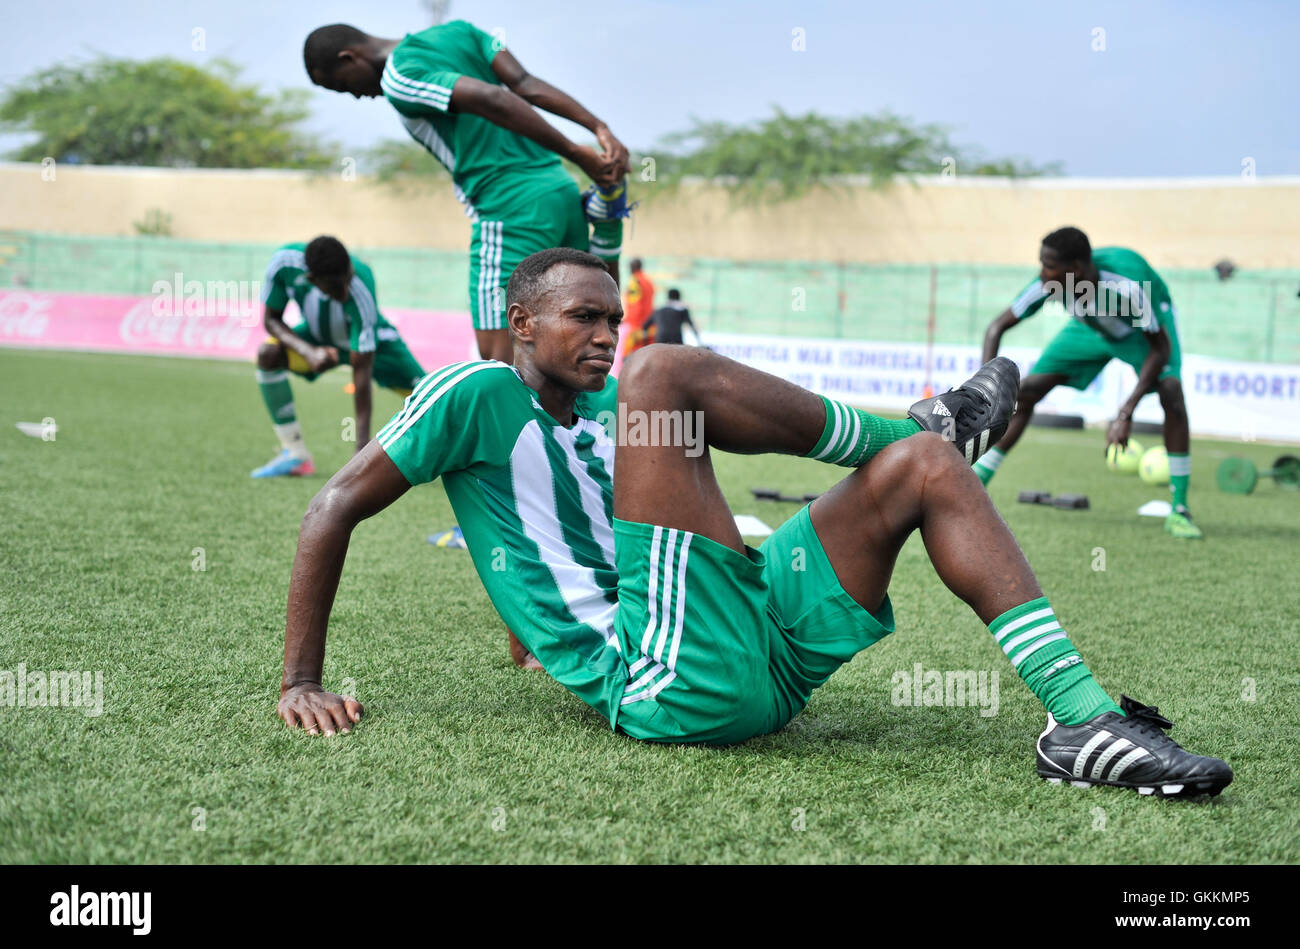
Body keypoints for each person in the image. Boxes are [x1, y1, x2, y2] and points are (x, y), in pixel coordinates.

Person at [275, 248, 1232, 799]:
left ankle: (1082, 722)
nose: (606, 334)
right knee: (665, 371)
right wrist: (303, 679)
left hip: (749, 642)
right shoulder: (473, 391)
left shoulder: (605, 419)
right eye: (582, 318)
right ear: (521, 322)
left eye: (612, 315)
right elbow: (333, 506)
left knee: (927, 472)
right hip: (671, 680)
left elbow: (566, 534)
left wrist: (530, 623)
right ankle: (914, 419)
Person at [302, 20, 630, 363]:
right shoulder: (461, 32)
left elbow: (493, 98)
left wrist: (579, 154)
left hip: (508, 210)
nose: (356, 96)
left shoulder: (398, 77)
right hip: (559, 191)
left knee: (500, 365)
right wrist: (598, 128)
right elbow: (524, 83)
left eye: (343, 86)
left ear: (349, 58)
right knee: (579, 339)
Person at [976, 227, 1202, 539]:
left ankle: (1179, 510)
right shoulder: (1047, 284)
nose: (1041, 273)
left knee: (1171, 393)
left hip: (1141, 334)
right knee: (1026, 392)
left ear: (1076, 269)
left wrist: (1125, 412)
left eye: (1048, 266)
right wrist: (984, 389)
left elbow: (1159, 349)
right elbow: (996, 328)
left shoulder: (1129, 286)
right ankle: (976, 482)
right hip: (1090, 329)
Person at [252, 236, 425, 478]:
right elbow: (271, 320)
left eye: (348, 280)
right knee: (267, 354)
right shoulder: (284, 263)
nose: (345, 292)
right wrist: (308, 351)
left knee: (431, 397)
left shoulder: (361, 285)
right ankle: (294, 454)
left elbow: (361, 373)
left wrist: (360, 451)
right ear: (313, 280)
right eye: (336, 287)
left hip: (377, 346)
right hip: (317, 340)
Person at [619, 258, 655, 357]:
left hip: (636, 325)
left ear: (631, 268)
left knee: (630, 359)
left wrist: (628, 321)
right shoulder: (648, 281)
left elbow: (635, 305)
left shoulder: (635, 282)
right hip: (650, 325)